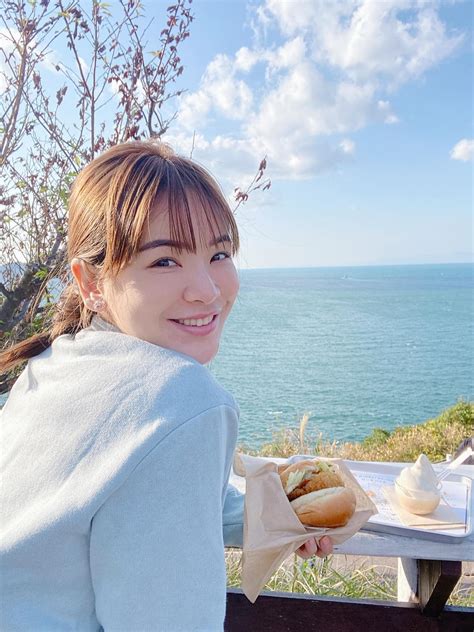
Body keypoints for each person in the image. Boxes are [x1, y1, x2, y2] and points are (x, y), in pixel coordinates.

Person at [0, 141, 332, 631]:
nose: (207, 290)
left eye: (219, 253)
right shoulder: (186, 402)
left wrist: (276, 513)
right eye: (163, 262)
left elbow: (129, 496)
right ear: (91, 283)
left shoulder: (53, 367)